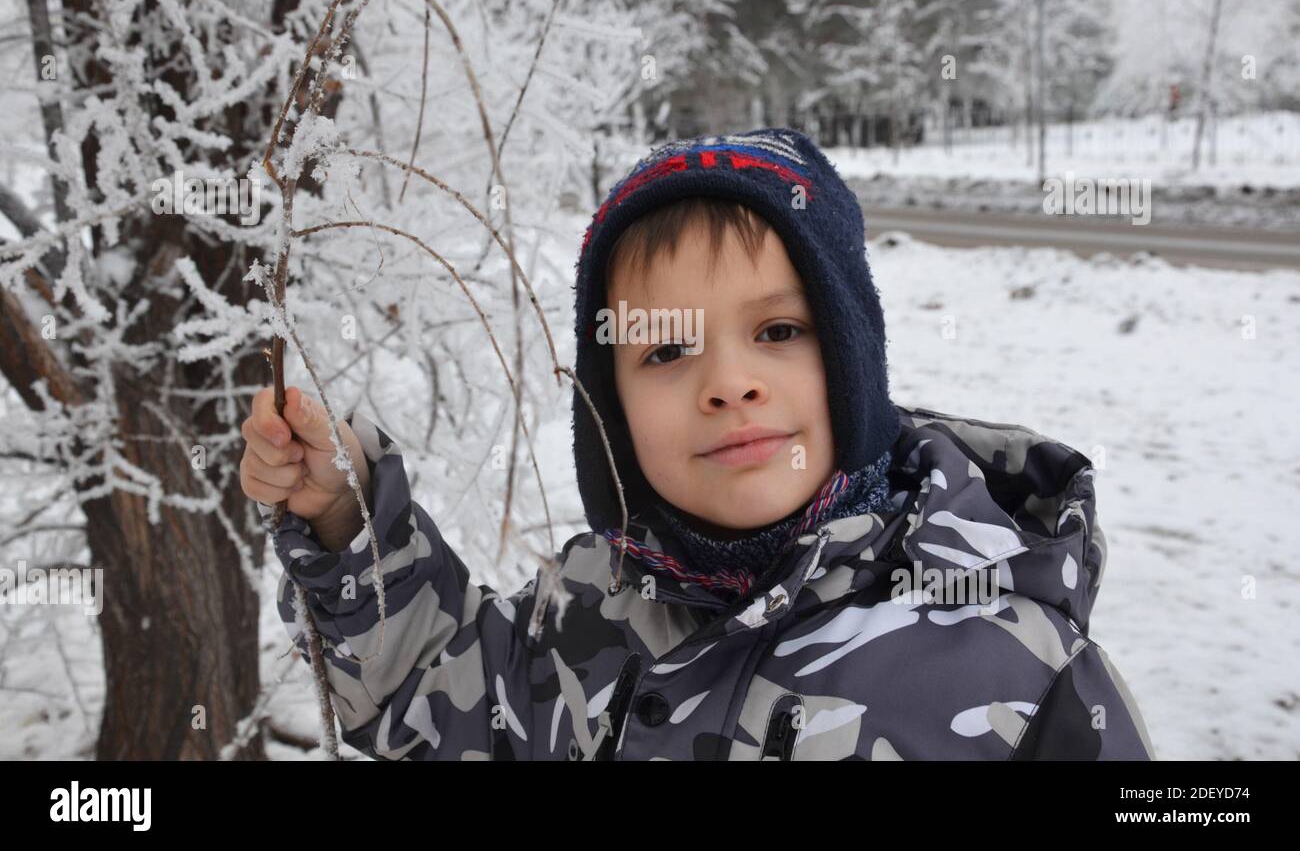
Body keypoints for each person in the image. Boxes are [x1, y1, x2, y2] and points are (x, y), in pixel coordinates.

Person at [240, 127, 1155, 760]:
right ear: (612, 409)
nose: (728, 381)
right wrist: (344, 514)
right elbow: (425, 699)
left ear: (852, 357)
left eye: (779, 332)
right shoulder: (581, 624)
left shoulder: (1015, 665)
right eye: (668, 349)